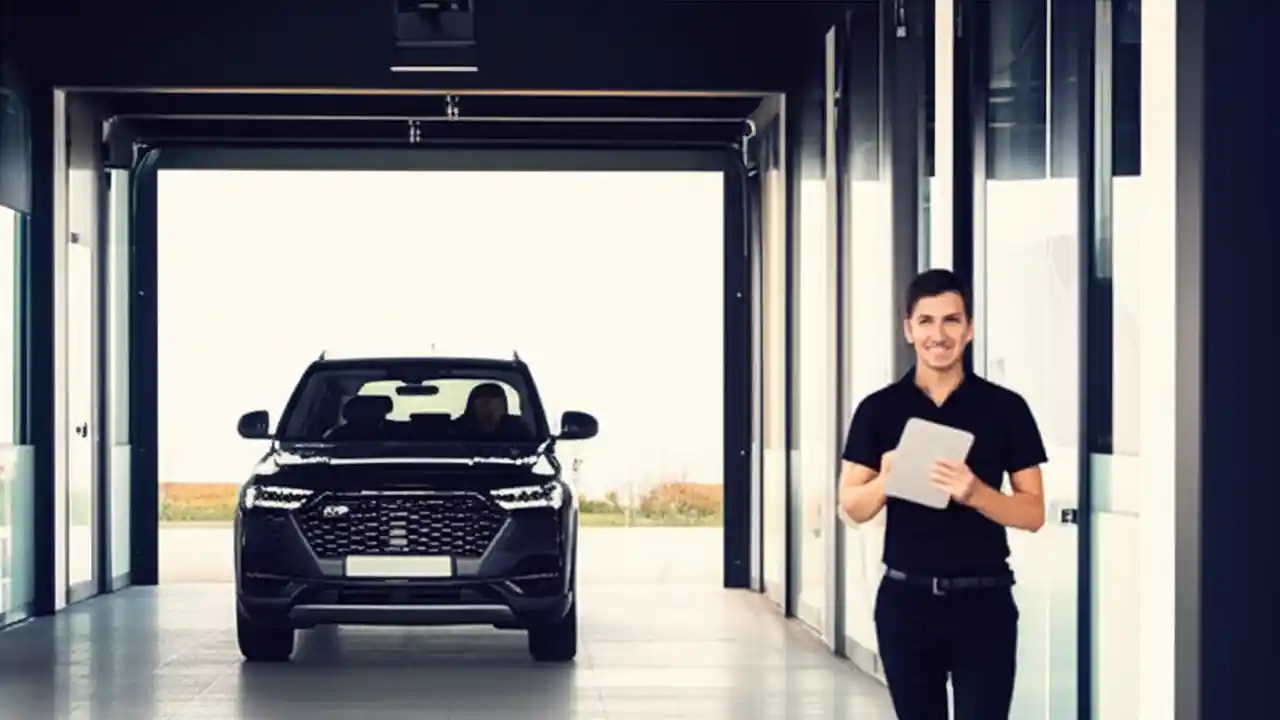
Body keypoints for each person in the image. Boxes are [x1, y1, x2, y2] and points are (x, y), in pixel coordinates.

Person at [838, 269, 1047, 720]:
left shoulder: (1005, 409)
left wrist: (976, 492)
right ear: (908, 330)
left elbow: (1033, 512)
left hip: (984, 604)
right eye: (926, 321)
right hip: (905, 605)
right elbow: (851, 506)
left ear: (969, 329)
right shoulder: (878, 410)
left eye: (951, 321)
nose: (939, 334)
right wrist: (886, 480)